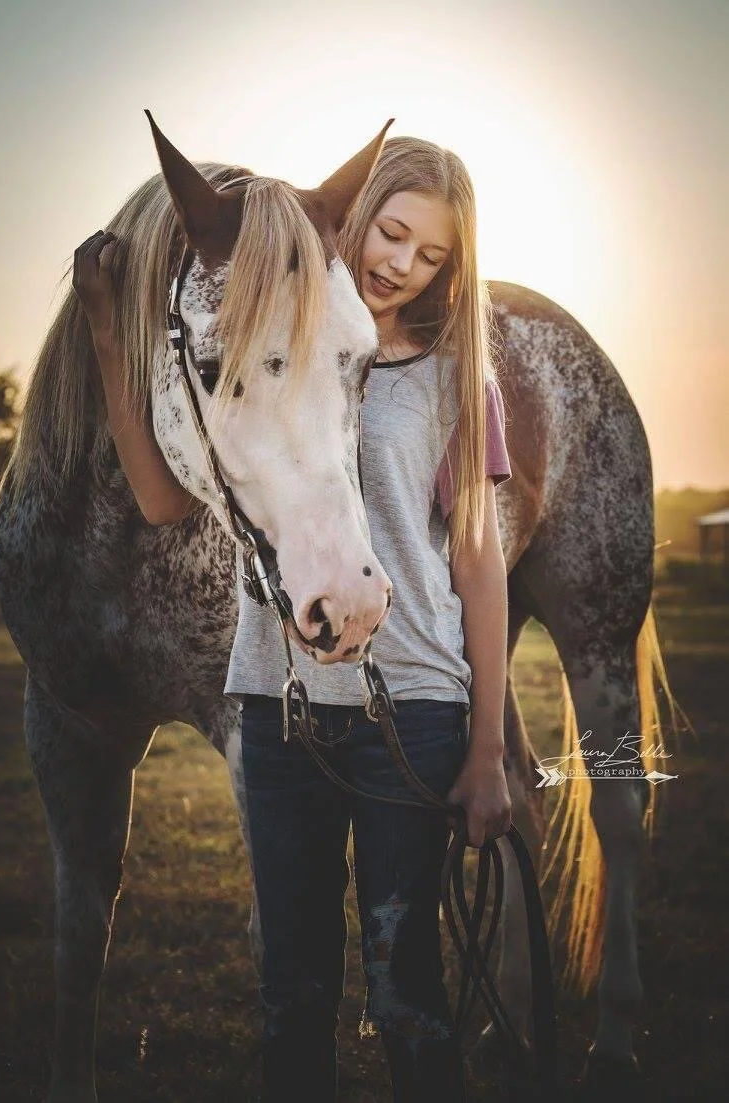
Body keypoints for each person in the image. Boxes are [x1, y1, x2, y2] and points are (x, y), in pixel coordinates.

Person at [74, 135, 513, 1103]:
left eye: (431, 254)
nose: (401, 263)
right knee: (291, 993)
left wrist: (487, 746)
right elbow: (162, 500)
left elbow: (478, 564)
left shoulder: (456, 376)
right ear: (353, 217)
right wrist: (108, 333)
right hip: (277, 710)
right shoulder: (265, 336)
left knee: (407, 992)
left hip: (413, 708)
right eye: (391, 232)